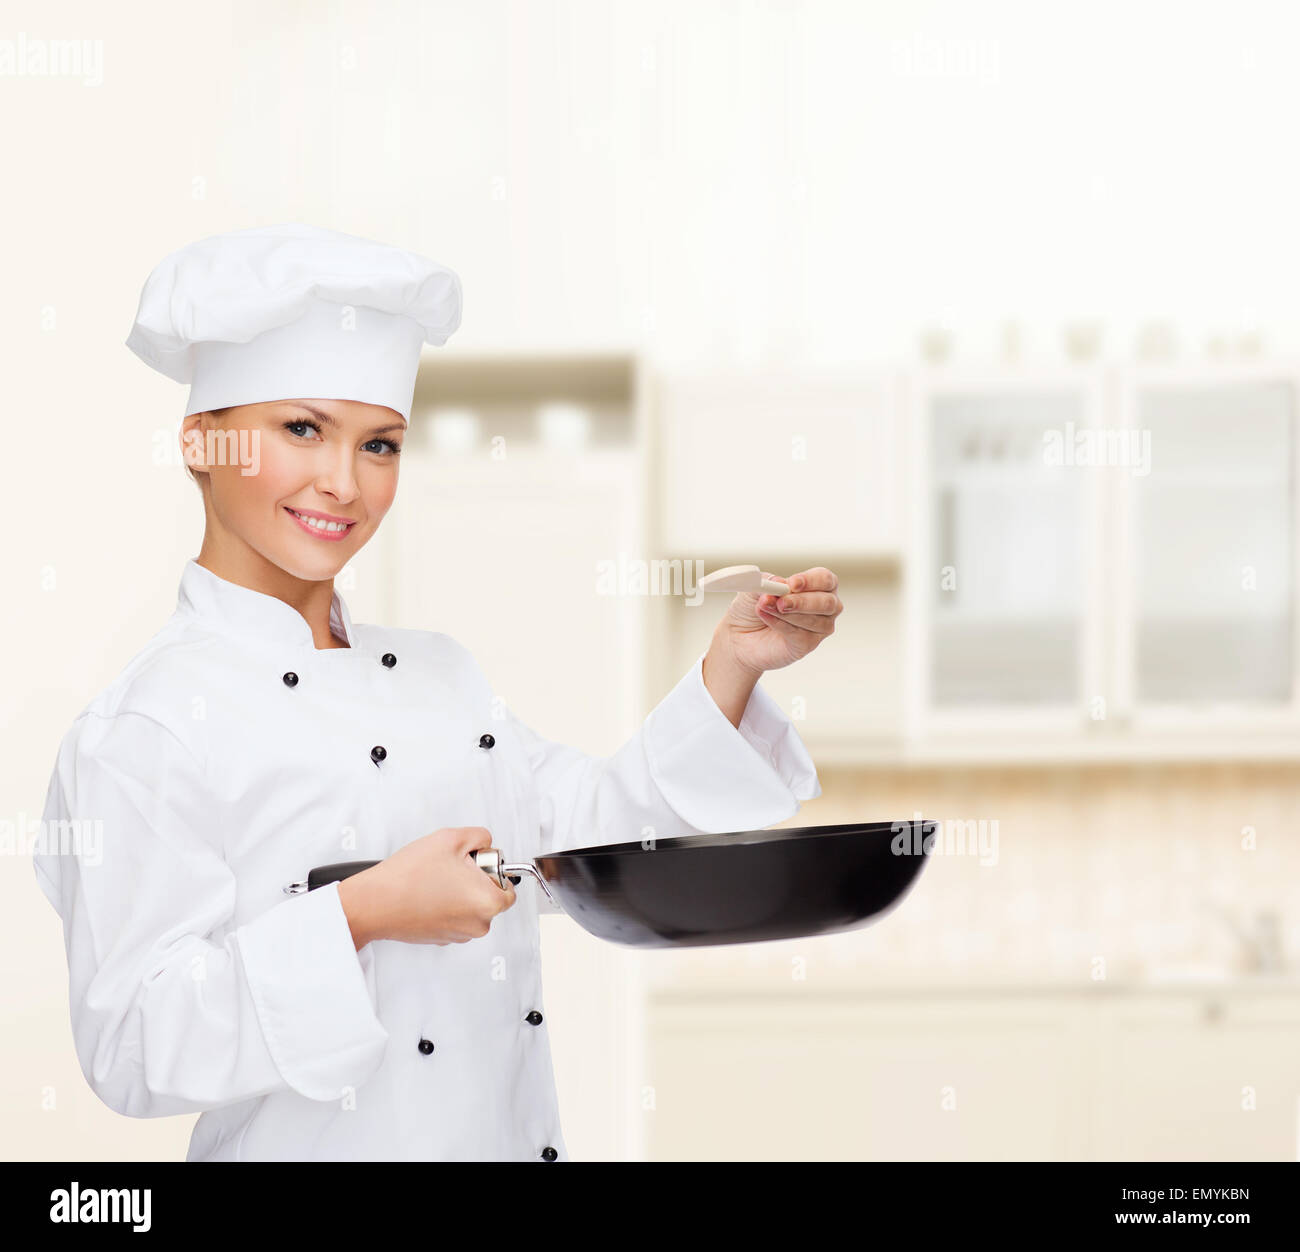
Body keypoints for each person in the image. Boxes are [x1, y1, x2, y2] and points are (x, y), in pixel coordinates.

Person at [33, 222, 842, 1161]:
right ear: (200, 442)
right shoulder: (148, 726)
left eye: (380, 445)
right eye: (302, 429)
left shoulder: (439, 675)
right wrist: (361, 914)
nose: (343, 483)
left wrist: (732, 668)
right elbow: (135, 1044)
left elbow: (592, 834)